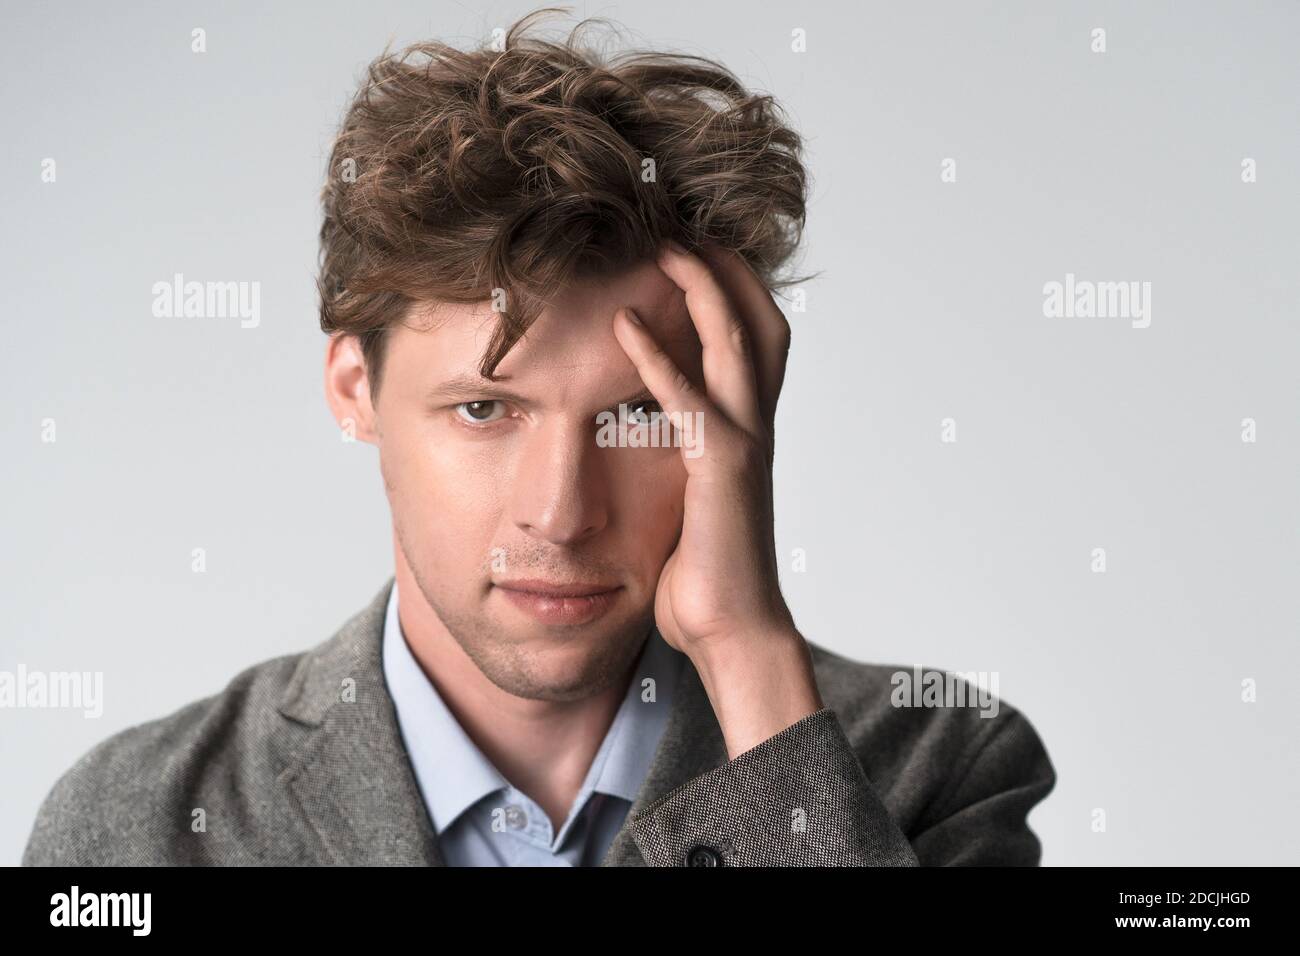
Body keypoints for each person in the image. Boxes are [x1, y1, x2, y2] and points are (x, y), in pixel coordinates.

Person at [23, 8, 1054, 867]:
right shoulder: (143, 824)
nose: (560, 511)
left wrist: (746, 654)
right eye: (485, 408)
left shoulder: (936, 767)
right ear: (355, 389)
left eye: (639, 412)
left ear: (739, 418)